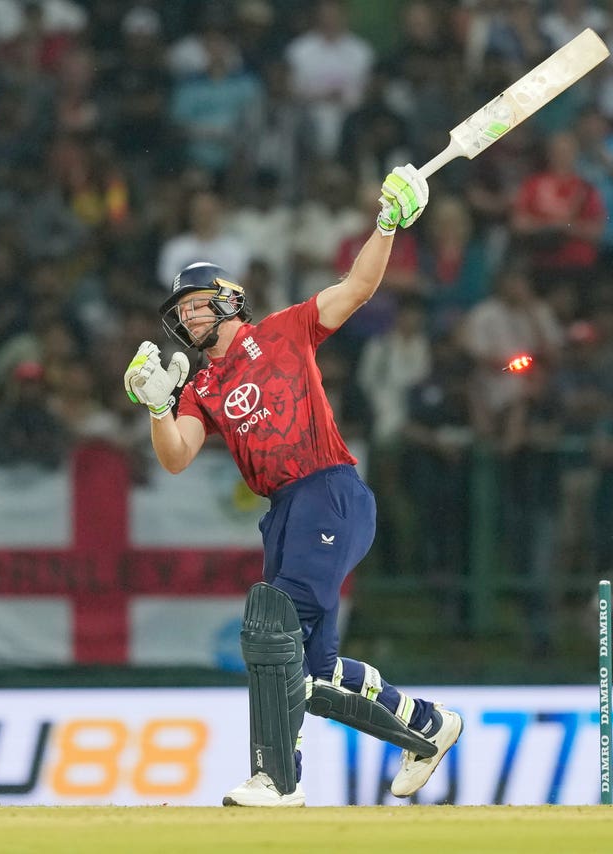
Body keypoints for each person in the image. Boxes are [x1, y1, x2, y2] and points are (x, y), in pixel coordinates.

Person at [123, 164, 462, 808]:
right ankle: (425, 725)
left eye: (197, 305)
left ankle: (277, 779)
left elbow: (358, 287)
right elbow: (175, 458)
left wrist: (387, 223)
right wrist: (157, 407)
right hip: (283, 511)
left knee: (271, 625)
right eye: (181, 312)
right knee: (307, 670)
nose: (188, 319)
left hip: (327, 487)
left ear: (227, 300)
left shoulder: (285, 328)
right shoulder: (200, 387)